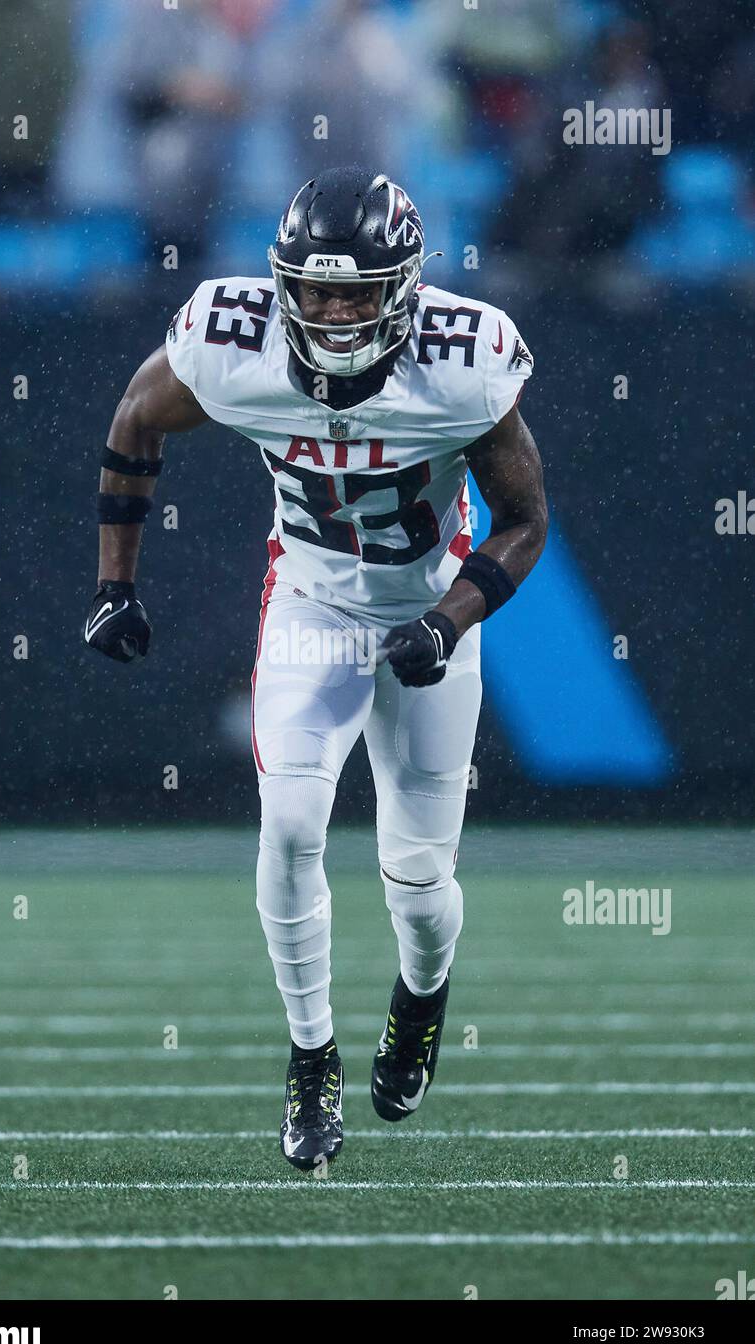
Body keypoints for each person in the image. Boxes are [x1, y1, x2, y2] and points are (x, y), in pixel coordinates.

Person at [83, 166, 547, 1171]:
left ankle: (418, 1005)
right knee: (290, 820)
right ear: (282, 282)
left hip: (426, 614)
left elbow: (522, 521)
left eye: (355, 291)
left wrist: (451, 615)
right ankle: (309, 1059)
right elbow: (134, 417)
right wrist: (113, 584)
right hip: (311, 605)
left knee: (418, 880)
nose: (333, 313)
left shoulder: (459, 366)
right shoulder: (234, 340)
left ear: (404, 286)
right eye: (316, 289)